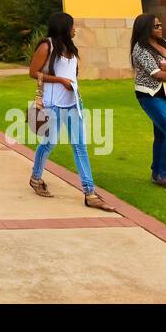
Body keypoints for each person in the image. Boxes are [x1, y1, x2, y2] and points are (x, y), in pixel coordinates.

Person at [27, 11, 112, 211]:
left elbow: (71, 73)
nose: (75, 29)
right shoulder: (46, 46)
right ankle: (35, 177)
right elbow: (33, 73)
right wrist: (60, 80)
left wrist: (72, 85)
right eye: (72, 26)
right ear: (64, 27)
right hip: (53, 103)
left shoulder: (70, 47)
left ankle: (90, 192)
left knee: (79, 146)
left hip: (73, 102)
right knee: (49, 143)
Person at [130, 13, 166, 191]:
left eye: (160, 25)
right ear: (146, 28)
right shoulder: (140, 49)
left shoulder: (165, 44)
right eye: (156, 26)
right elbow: (156, 74)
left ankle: (157, 173)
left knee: (163, 135)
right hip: (150, 95)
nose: (160, 28)